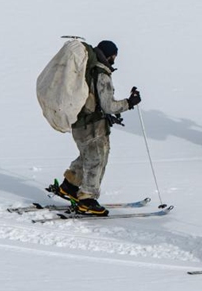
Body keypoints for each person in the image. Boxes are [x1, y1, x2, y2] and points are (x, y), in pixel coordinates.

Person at [53, 40, 142, 216]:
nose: (115, 59)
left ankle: (69, 186)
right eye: (115, 55)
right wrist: (130, 103)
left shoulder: (87, 69)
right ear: (110, 55)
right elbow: (108, 106)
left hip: (79, 123)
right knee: (96, 160)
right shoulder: (101, 74)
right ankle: (87, 200)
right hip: (93, 126)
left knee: (87, 155)